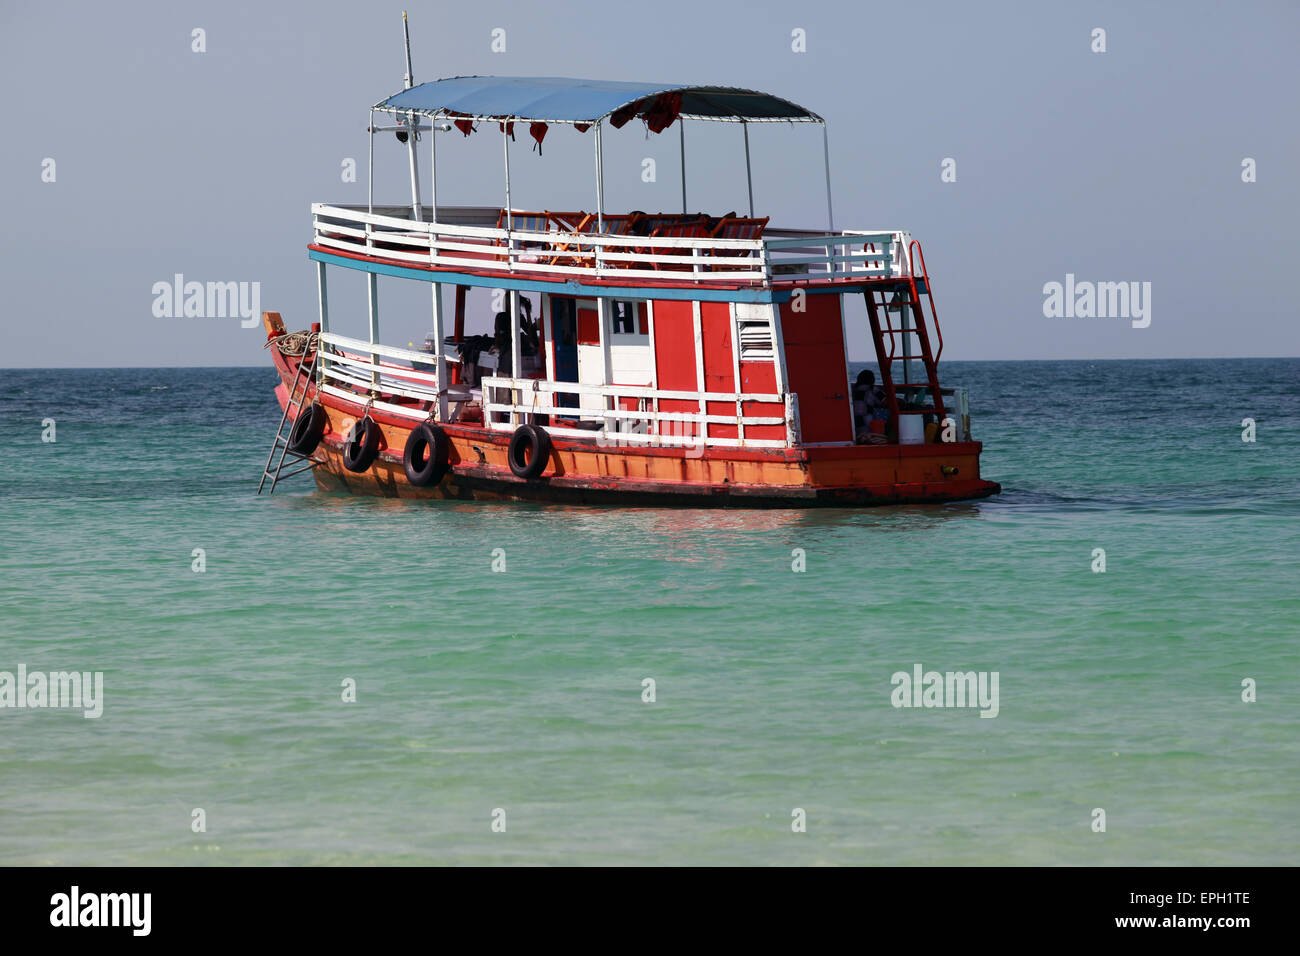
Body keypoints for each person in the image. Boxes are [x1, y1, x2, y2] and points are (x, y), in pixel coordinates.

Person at [852, 369, 887, 442]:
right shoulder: (872, 389)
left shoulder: (853, 390)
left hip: (855, 427)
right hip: (868, 427)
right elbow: (886, 402)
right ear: (872, 380)